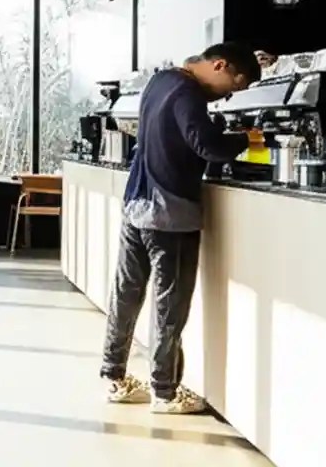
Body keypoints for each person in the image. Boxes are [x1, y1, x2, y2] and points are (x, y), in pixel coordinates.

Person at [101, 42, 261, 414]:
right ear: (220, 65)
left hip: (137, 203)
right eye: (232, 86)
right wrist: (246, 140)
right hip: (169, 212)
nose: (226, 96)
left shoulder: (160, 81)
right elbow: (207, 145)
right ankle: (166, 391)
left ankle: (116, 377)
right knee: (170, 304)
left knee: (126, 294)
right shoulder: (188, 91)